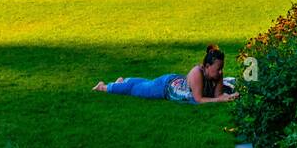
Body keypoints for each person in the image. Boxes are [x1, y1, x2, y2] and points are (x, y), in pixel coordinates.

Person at [92, 44, 238, 103]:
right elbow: (199, 100)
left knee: (145, 83)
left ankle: (123, 81)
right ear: (207, 66)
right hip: (165, 87)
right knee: (136, 90)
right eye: (217, 68)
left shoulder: (217, 75)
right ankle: (104, 87)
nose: (220, 72)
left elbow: (219, 95)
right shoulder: (197, 73)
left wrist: (227, 97)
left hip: (171, 82)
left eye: (221, 68)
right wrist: (219, 100)